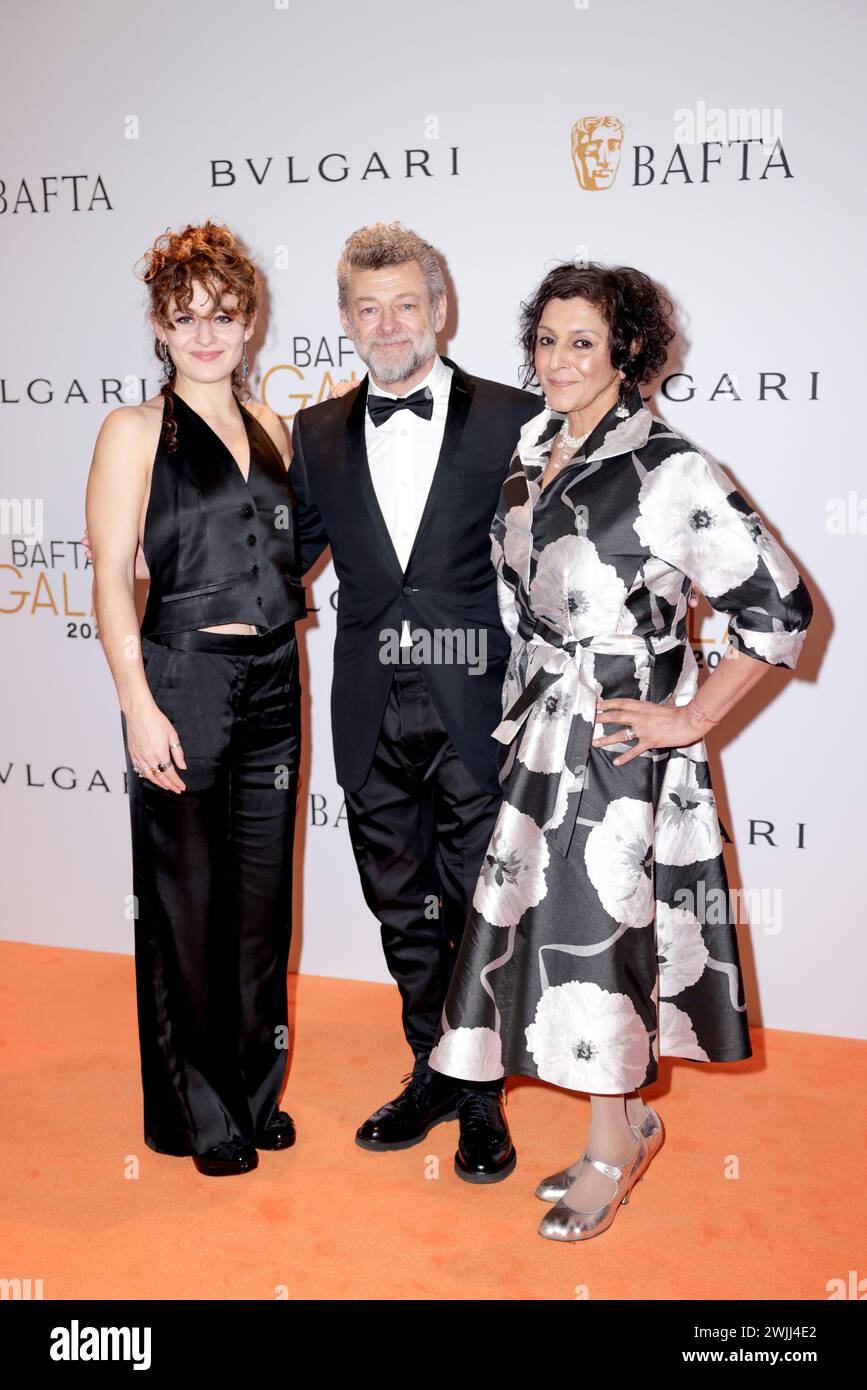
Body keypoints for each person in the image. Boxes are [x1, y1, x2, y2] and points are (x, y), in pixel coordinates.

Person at [426, 261, 813, 1237]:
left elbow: (782, 609)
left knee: (602, 946)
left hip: (621, 745)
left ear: (629, 352)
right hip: (545, 730)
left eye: (582, 341)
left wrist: (688, 717)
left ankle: (611, 1147)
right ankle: (628, 1119)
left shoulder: (672, 467)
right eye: (547, 339)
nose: (557, 359)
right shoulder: (532, 447)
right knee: (557, 943)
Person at [289, 222, 545, 1181]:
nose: (388, 323)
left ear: (440, 309)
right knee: (402, 908)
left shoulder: (517, 418)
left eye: (406, 303)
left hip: (477, 705)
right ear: (347, 322)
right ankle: (427, 1069)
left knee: (481, 906)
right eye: (368, 308)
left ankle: (480, 1095)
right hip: (367, 710)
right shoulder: (313, 435)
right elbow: (280, 564)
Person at [85, 220, 305, 1177]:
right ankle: (196, 1112)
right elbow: (106, 579)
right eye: (185, 318)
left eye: (223, 314)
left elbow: (287, 547)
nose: (206, 334)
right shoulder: (134, 430)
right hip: (181, 676)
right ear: (160, 328)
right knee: (185, 903)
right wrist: (137, 701)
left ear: (249, 321)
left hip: (273, 680)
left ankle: (255, 1092)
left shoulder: (276, 429)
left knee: (262, 905)